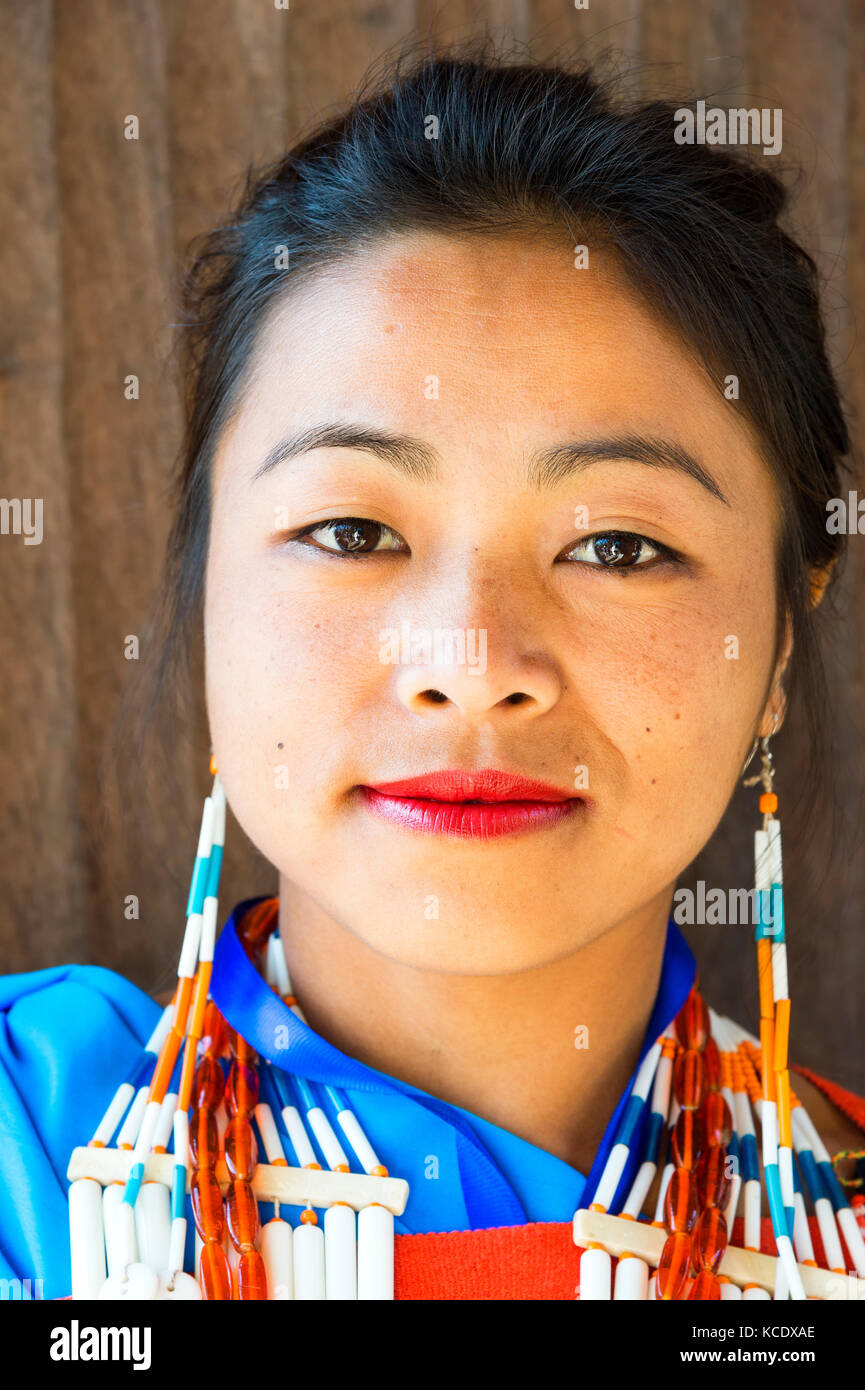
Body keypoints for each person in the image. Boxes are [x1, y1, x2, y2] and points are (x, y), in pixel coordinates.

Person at [2, 43, 864, 1303]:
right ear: (205, 590)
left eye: (617, 547)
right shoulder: (30, 1157)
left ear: (779, 640)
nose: (471, 667)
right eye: (353, 531)